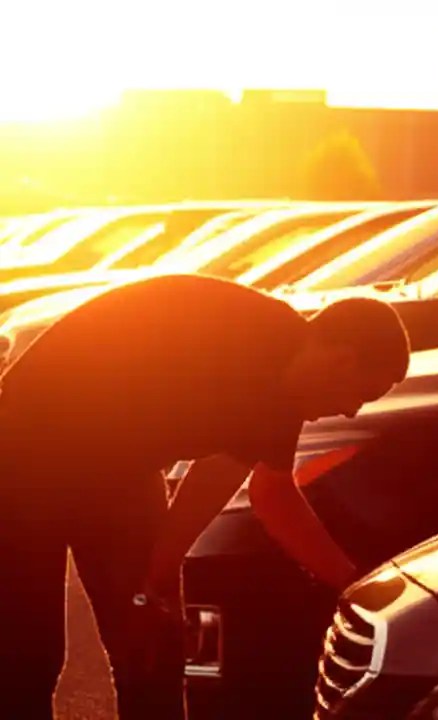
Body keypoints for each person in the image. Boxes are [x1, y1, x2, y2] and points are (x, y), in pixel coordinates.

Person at [0, 274, 411, 720]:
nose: (351, 411)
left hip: (120, 467)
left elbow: (268, 493)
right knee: (28, 653)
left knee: (154, 649)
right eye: (362, 395)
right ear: (342, 362)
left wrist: (351, 584)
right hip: (28, 448)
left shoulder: (288, 377)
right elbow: (251, 489)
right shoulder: (245, 344)